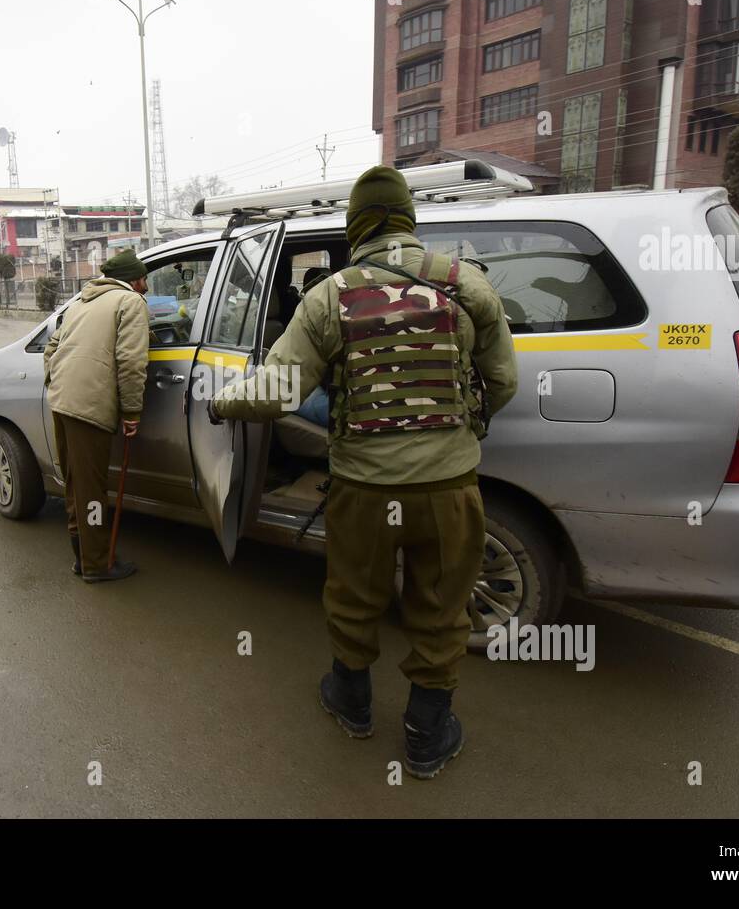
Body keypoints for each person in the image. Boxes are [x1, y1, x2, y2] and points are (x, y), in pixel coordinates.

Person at [210, 165, 518, 779]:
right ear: (408, 219)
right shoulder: (468, 287)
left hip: (364, 489)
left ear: (356, 226)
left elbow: (278, 389)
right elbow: (504, 381)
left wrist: (221, 402)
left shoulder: (329, 295)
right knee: (441, 604)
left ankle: (352, 704)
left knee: (354, 596)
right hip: (448, 488)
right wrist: (460, 436)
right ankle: (426, 734)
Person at [43, 249, 150, 583]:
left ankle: (82, 558)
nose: (146, 286)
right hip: (89, 407)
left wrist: (58, 380)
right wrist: (132, 411)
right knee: (92, 491)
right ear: (134, 279)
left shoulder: (80, 304)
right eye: (144, 278)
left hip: (62, 401)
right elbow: (132, 361)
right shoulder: (130, 303)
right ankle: (97, 564)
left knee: (76, 486)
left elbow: (51, 349)